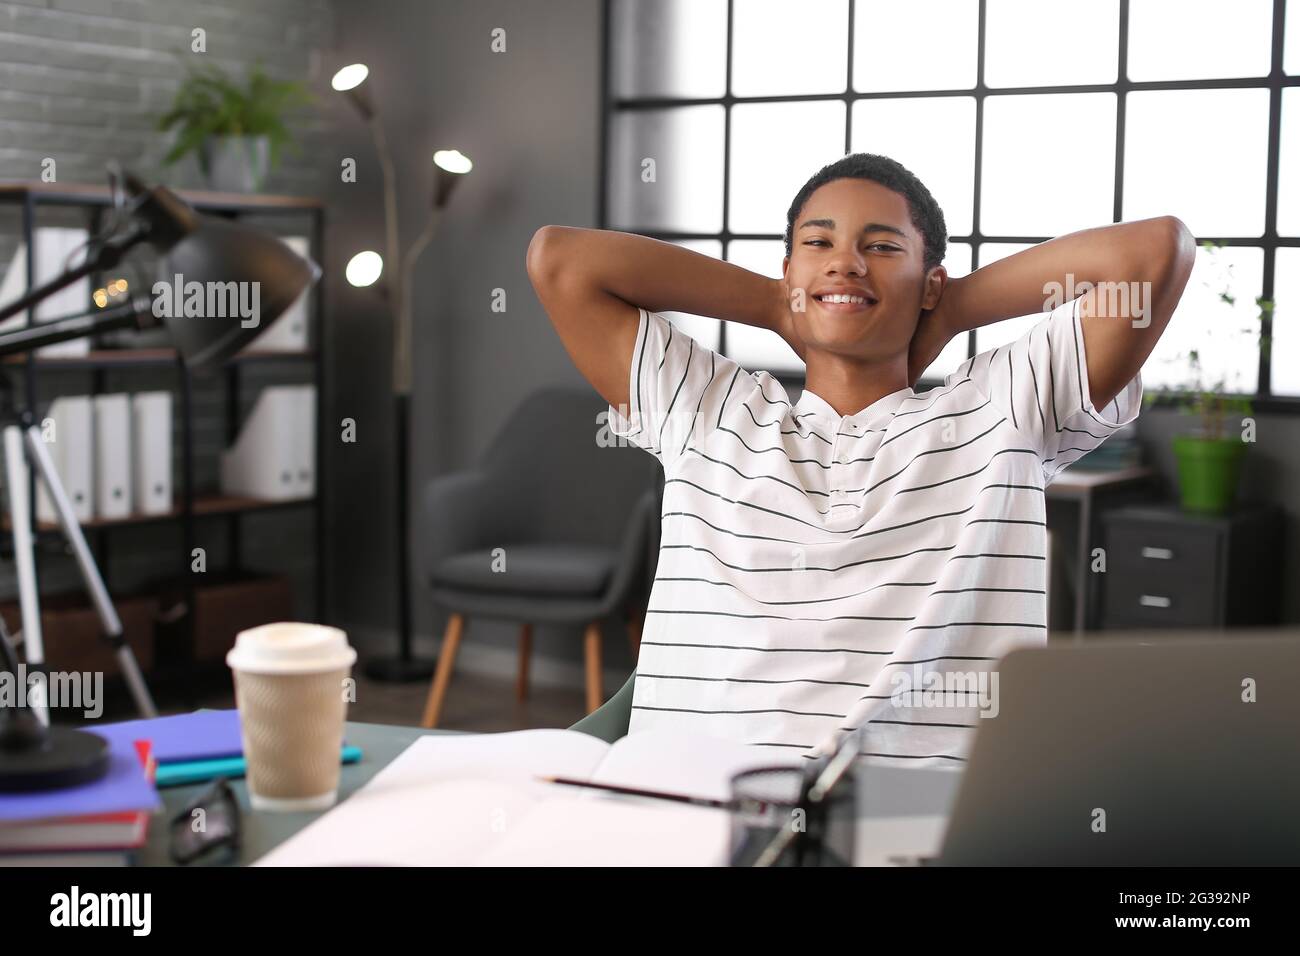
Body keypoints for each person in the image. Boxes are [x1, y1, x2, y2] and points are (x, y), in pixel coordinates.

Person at [527, 152, 1194, 766]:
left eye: (881, 247)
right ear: (789, 272)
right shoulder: (708, 408)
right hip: (695, 801)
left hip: (909, 815)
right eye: (818, 244)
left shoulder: (1002, 406)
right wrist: (771, 303)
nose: (845, 263)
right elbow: (562, 261)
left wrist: (953, 306)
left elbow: (1153, 252)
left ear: (928, 281)